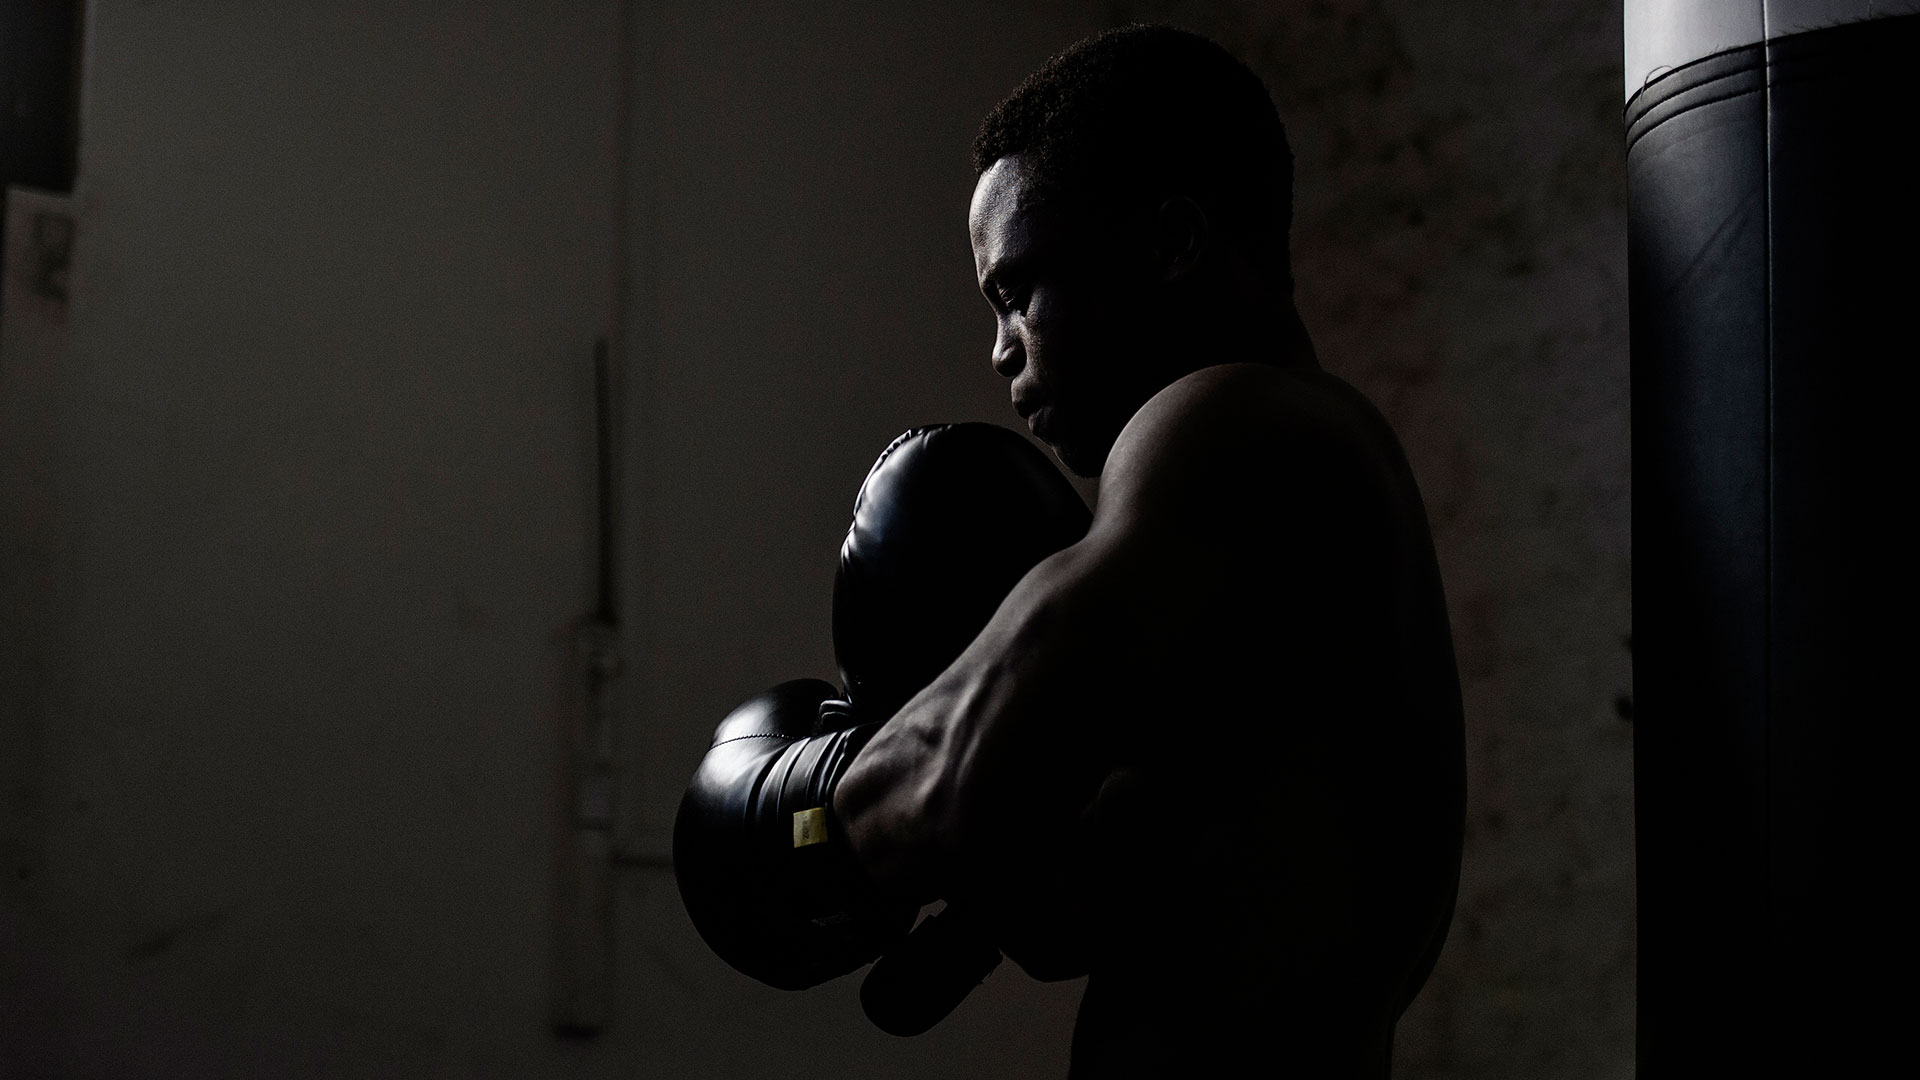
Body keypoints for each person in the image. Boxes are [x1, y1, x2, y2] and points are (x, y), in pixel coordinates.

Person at [830, 24, 1466, 1078]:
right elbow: (1068, 921)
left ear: (1173, 242)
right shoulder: (1296, 491)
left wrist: (802, 796)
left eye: (1016, 291)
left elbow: (941, 780)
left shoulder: (1231, 418)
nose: (999, 351)